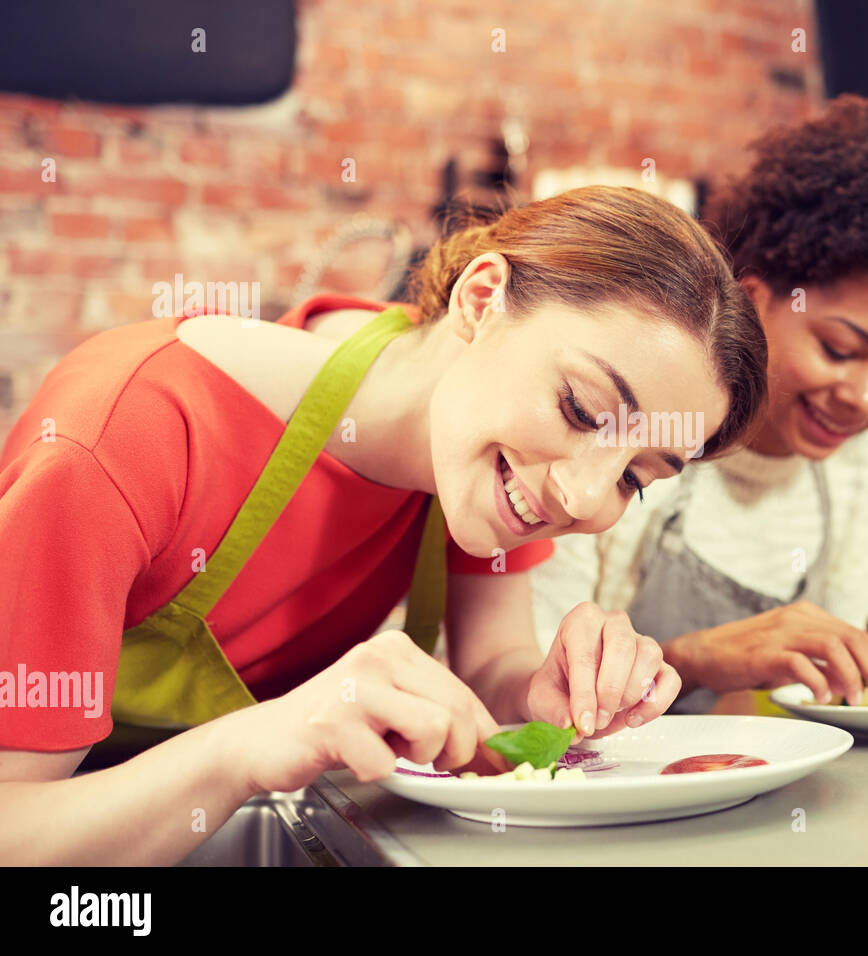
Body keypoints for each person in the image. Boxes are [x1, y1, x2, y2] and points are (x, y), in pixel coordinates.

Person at [0, 185, 768, 864]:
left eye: (635, 476)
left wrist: (544, 694)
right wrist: (253, 743)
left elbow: (493, 663)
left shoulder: (465, 443)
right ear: (479, 300)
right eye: (582, 411)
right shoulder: (120, 441)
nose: (579, 492)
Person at [531, 93, 868, 713]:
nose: (865, 398)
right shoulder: (634, 438)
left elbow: (830, 704)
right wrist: (688, 661)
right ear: (755, 299)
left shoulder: (860, 468)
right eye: (840, 348)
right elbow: (526, 694)